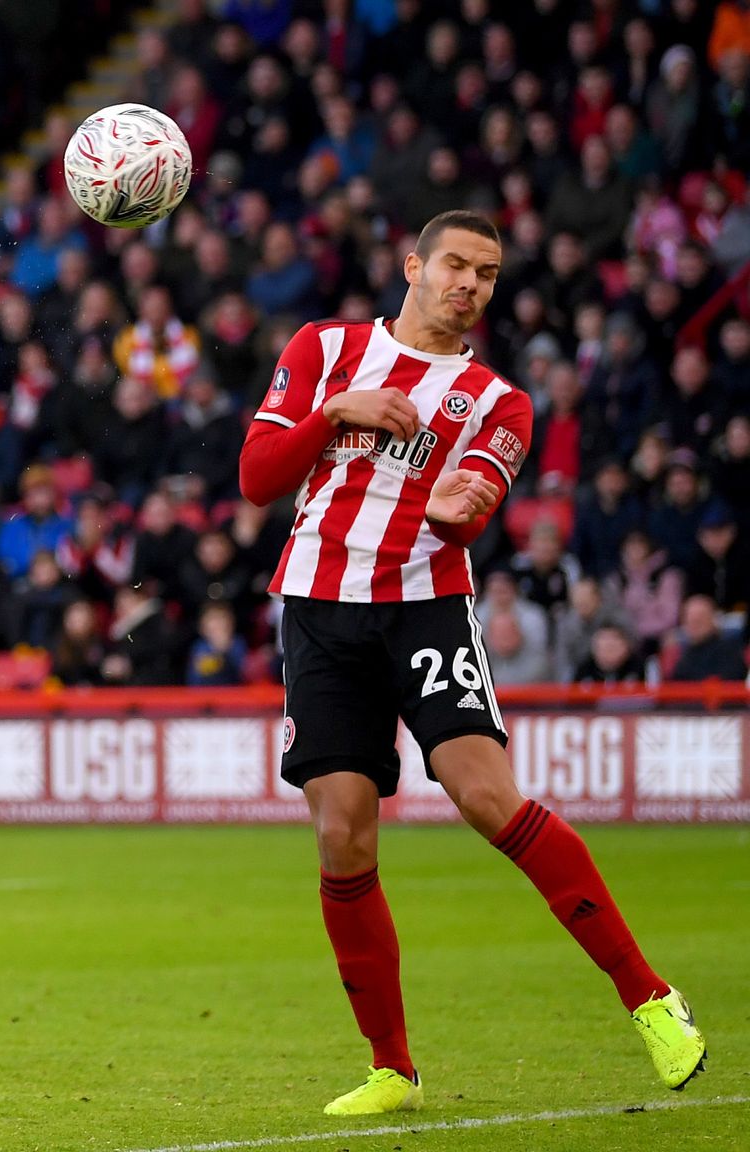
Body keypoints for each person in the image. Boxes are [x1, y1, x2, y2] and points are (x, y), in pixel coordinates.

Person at [238, 210, 705, 1117]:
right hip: (320, 610)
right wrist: (337, 412)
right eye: (455, 264)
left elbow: (471, 508)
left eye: (487, 274)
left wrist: (462, 505)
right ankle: (392, 1069)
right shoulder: (325, 347)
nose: (470, 285)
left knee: (489, 799)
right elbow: (258, 478)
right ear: (412, 265)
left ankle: (651, 998)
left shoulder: (498, 401)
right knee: (342, 837)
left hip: (425, 607)